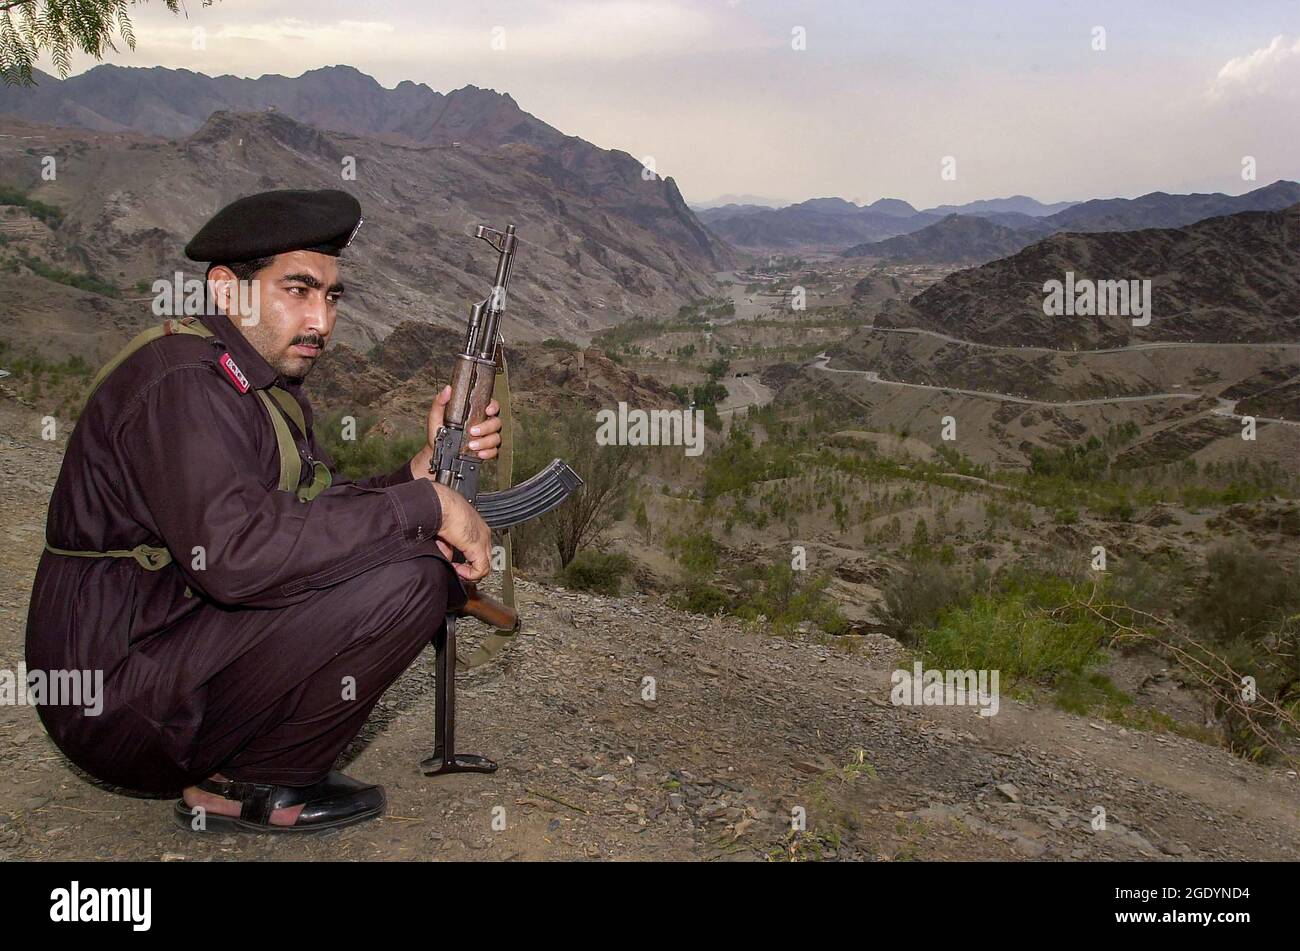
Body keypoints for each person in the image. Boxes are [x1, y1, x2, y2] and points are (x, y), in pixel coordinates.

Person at [25, 188, 500, 833]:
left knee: (400, 550)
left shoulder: (245, 380)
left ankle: (247, 760)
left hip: (159, 643)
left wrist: (417, 473)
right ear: (229, 290)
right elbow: (233, 555)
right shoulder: (186, 387)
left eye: (330, 297)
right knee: (409, 575)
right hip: (113, 695)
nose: (322, 323)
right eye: (298, 291)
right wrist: (422, 505)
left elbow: (302, 512)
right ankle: (245, 786)